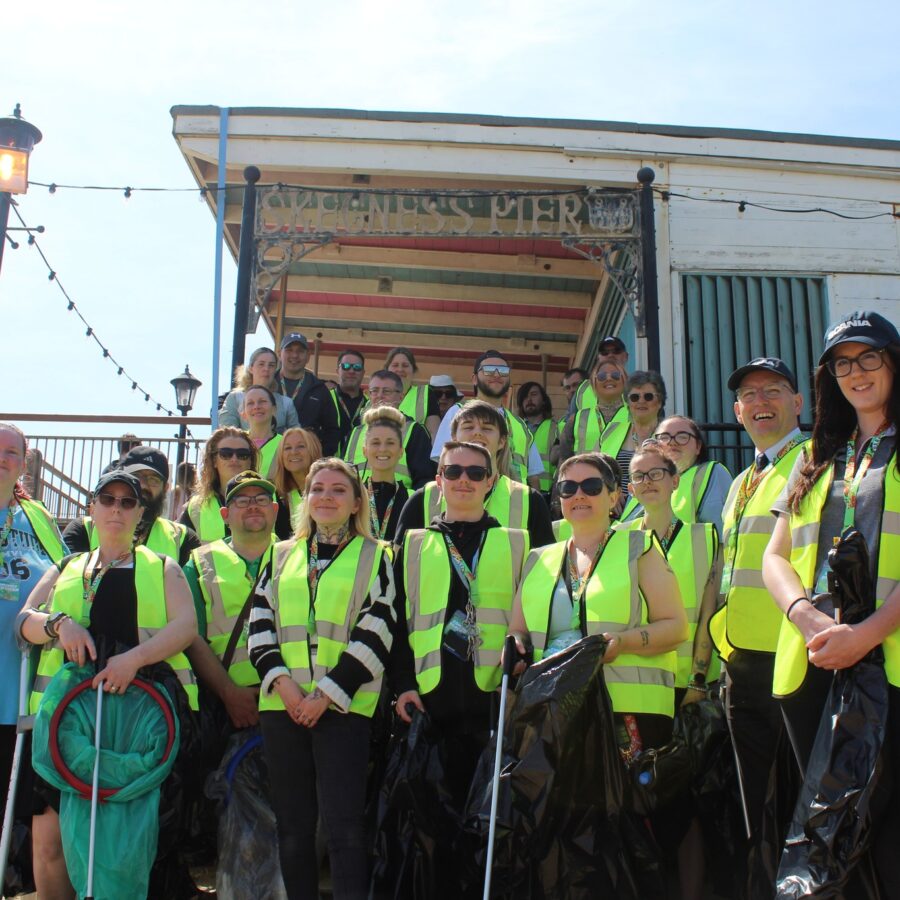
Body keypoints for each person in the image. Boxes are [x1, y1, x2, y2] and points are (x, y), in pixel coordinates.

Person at [762, 311, 900, 893]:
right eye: (843, 363)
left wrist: (865, 635)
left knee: (884, 825)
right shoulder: (819, 452)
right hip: (814, 656)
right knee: (825, 823)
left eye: (870, 357)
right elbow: (774, 557)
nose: (856, 373)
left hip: (887, 660)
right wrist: (807, 617)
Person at [19, 469, 197, 898]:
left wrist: (132, 661)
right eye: (107, 499)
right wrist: (60, 626)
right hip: (63, 729)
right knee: (50, 844)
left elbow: (186, 627)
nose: (116, 508)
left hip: (138, 726)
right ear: (91, 509)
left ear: (139, 514)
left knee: (127, 847)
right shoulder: (66, 565)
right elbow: (24, 620)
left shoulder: (162, 568)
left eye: (127, 502)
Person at [248, 458, 396, 900]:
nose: (326, 497)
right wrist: (284, 685)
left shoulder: (377, 555)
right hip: (283, 707)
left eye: (337, 490)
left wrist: (325, 695)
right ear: (305, 499)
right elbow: (261, 624)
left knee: (344, 829)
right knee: (292, 830)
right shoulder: (279, 555)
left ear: (355, 503)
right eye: (318, 489)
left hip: (344, 709)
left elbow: (379, 628)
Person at [390, 440, 529, 877]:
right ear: (439, 480)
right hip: (431, 704)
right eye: (453, 472)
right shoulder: (412, 544)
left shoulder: (518, 542)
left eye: (474, 473)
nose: (463, 480)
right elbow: (394, 621)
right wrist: (402, 685)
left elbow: (532, 618)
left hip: (494, 699)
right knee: (434, 827)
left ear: (491, 481)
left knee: (490, 828)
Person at [509, 451, 686, 750]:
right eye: (568, 488)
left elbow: (676, 628)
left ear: (614, 495)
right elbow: (517, 630)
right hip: (554, 706)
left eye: (591, 486)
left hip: (627, 711)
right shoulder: (539, 558)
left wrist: (622, 642)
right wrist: (514, 645)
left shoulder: (639, 549)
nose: (579, 495)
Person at [706, 356, 806, 869]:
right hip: (741, 658)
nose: (760, 402)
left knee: (795, 798)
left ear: (798, 403)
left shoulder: (814, 460)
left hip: (790, 659)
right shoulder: (746, 478)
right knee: (756, 803)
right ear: (736, 411)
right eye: (749, 396)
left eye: (774, 391)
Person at [623, 444, 721, 900]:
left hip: (687, 691)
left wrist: (699, 680)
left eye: (656, 473)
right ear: (629, 488)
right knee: (636, 801)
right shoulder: (619, 538)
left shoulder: (707, 536)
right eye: (639, 476)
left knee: (687, 803)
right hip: (637, 690)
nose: (648, 482)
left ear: (675, 478)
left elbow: (707, 614)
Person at [0, 424, 67, 827]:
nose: (2, 458)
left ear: (22, 464)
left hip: (20, 689)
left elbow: (66, 572)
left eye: (11, 452)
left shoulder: (37, 516)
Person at [185, 471, 278, 734]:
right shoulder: (197, 564)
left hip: (289, 706)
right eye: (241, 501)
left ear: (274, 510)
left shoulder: (299, 558)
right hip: (224, 708)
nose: (252, 505)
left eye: (261, 498)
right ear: (225, 515)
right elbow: (192, 637)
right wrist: (229, 694)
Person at [396, 400, 554, 548]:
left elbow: (543, 569)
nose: (477, 433)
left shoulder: (530, 501)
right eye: (468, 427)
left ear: (502, 441)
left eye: (487, 428)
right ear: (454, 437)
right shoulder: (422, 499)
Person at [63, 445, 201, 566]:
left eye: (153, 479)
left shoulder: (183, 539)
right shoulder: (83, 530)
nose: (143, 485)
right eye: (136, 476)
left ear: (165, 488)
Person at [431, 349, 543, 488]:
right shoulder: (457, 412)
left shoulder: (520, 425)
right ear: (474, 379)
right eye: (489, 370)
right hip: (466, 500)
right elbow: (441, 464)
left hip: (513, 505)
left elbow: (533, 477)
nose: (496, 374)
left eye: (503, 371)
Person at [621, 416, 732, 531]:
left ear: (698, 446)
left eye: (682, 437)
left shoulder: (710, 473)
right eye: (664, 437)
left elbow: (719, 537)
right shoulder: (643, 481)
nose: (672, 442)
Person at [342, 370, 436, 490]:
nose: (379, 395)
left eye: (386, 391)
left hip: (399, 504)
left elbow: (424, 480)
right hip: (361, 505)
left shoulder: (415, 431)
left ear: (401, 397)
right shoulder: (355, 432)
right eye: (374, 391)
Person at [182, 427, 259, 544]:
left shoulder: (271, 498)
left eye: (242, 454)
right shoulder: (195, 506)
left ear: (250, 461)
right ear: (214, 461)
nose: (234, 459)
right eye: (226, 454)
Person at [277, 333, 341, 455]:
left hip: (306, 460)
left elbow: (332, 430)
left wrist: (319, 457)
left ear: (308, 356)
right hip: (272, 457)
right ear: (279, 353)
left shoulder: (319, 389)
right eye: (289, 350)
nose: (295, 355)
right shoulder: (269, 385)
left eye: (300, 351)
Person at [558, 360, 630, 461]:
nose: (609, 378)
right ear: (593, 383)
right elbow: (564, 464)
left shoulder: (637, 415)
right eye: (601, 376)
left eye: (615, 375)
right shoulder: (575, 420)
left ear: (625, 380)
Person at [218, 346, 300, 433]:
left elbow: (296, 436)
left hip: (276, 446)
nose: (266, 369)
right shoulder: (234, 398)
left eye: (271, 365)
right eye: (261, 364)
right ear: (251, 368)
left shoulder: (286, 403)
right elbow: (227, 434)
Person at [360, 406, 409, 544]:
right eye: (375, 443)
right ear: (365, 451)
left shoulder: (412, 499)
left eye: (390, 443)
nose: (382, 449)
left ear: (401, 451)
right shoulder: (354, 496)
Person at [273, 427, 322, 539]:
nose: (294, 452)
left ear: (313, 450)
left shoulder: (329, 488)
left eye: (301, 446)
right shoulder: (277, 496)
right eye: (287, 448)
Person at [385, 347, 441, 440]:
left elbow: (433, 433)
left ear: (413, 370)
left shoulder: (426, 394)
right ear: (387, 369)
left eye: (405, 365)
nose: (400, 369)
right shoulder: (374, 397)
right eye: (395, 365)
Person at [516, 381, 558, 500]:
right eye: (524, 397)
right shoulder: (516, 429)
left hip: (547, 493)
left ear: (544, 400)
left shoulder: (557, 428)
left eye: (533, 394)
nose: (529, 399)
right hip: (520, 489)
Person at [243, 385, 284, 480]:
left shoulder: (285, 444)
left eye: (262, 401)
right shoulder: (236, 442)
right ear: (244, 413)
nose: (256, 407)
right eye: (250, 403)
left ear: (274, 409)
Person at [331, 349, 368, 452]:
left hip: (359, 467)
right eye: (346, 366)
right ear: (337, 371)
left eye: (357, 367)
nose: (351, 371)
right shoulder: (324, 399)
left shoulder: (371, 405)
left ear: (363, 373)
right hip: (330, 465)